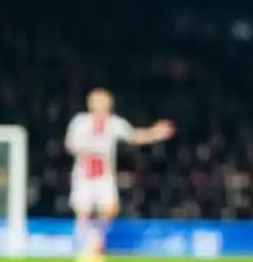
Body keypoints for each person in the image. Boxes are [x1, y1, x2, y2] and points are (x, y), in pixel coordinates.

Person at [65, 89, 173, 262]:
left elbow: (133, 136)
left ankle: (95, 242)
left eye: (106, 103)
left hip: (104, 175)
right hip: (84, 174)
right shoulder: (80, 122)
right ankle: (85, 250)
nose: (104, 106)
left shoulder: (113, 123)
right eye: (100, 102)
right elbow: (70, 144)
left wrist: (155, 133)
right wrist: (86, 148)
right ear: (91, 104)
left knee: (110, 209)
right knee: (83, 212)